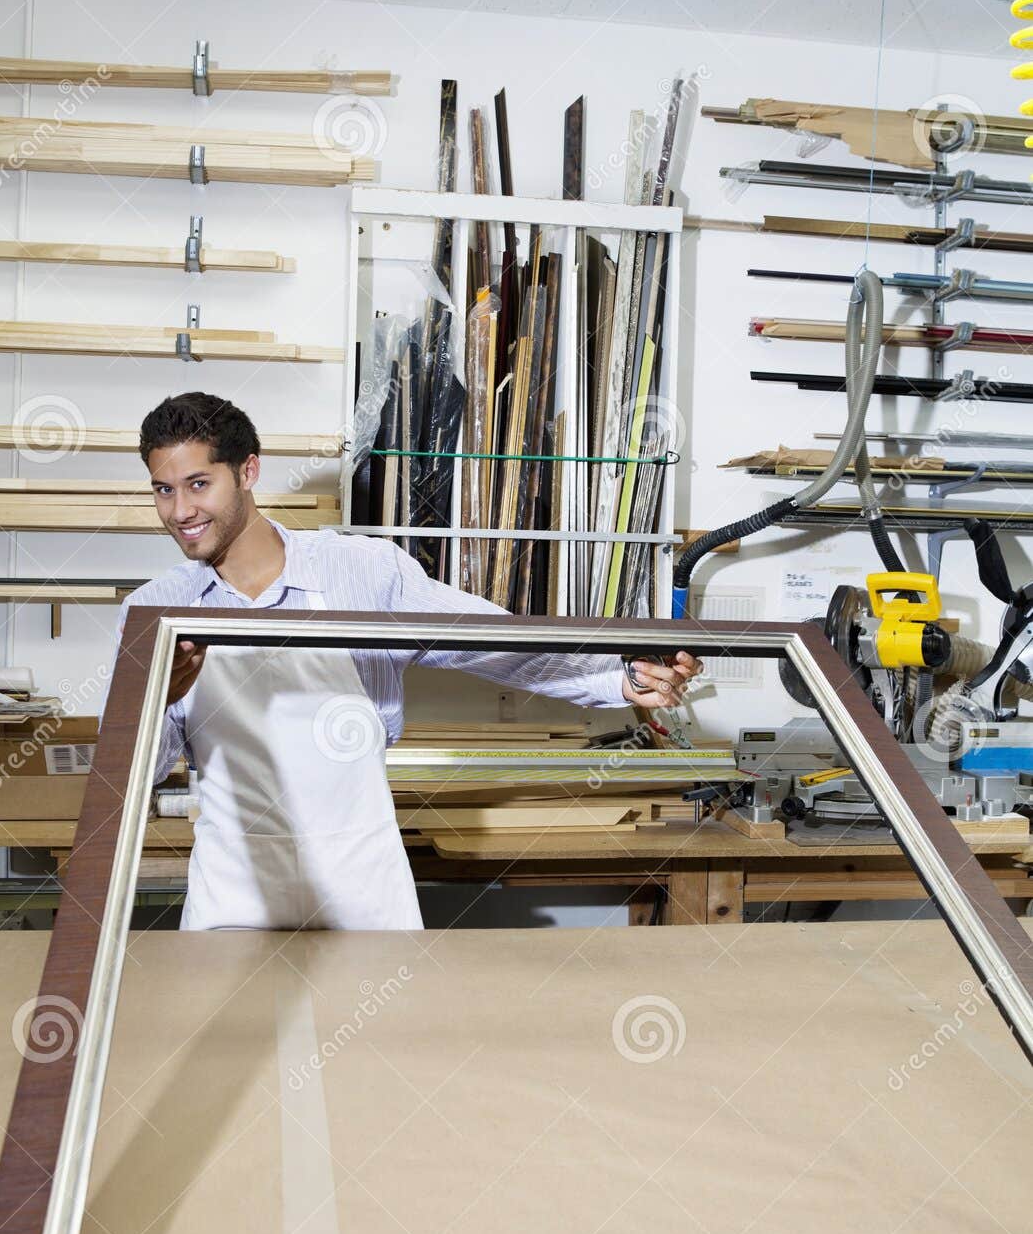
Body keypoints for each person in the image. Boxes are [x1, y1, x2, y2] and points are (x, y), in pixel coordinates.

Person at [108, 392, 701, 932]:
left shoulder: (362, 574)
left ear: (248, 471)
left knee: (377, 1048)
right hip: (234, 895)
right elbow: (139, 775)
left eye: (198, 484)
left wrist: (616, 678)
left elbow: (492, 642)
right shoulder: (157, 610)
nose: (181, 510)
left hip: (361, 887)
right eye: (165, 489)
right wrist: (155, 697)